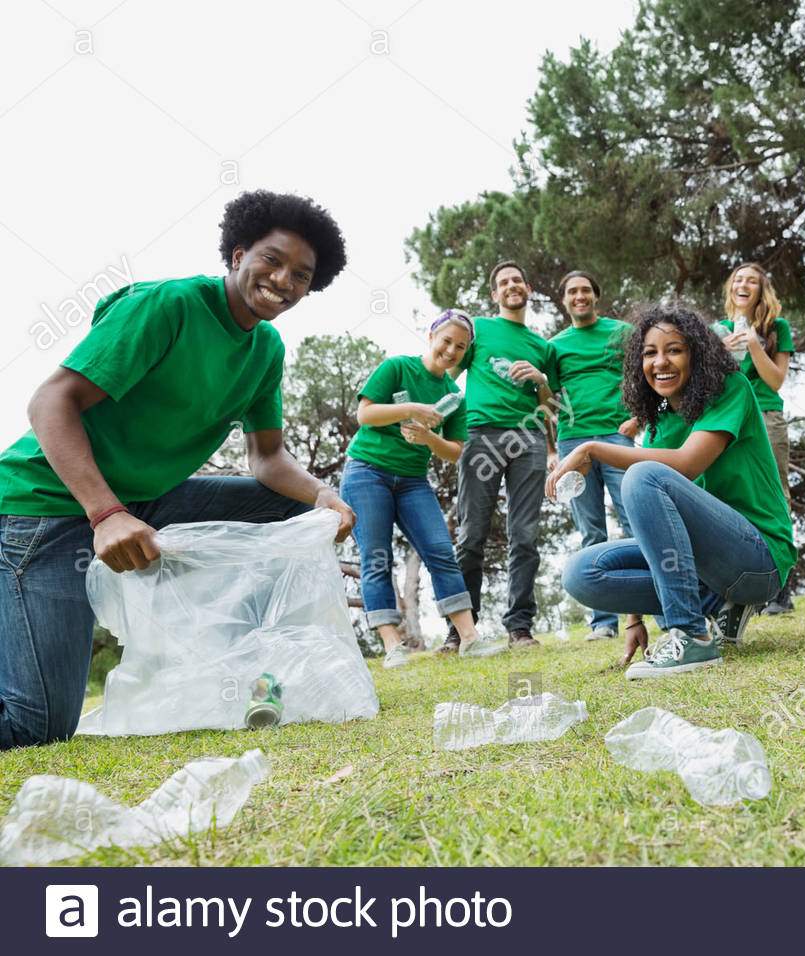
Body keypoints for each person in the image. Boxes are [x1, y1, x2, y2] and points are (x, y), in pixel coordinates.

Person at [0, 189, 355, 751]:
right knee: (35, 727)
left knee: (296, 510)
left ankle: (253, 667)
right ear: (238, 255)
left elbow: (266, 459)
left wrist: (322, 496)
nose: (284, 280)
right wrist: (107, 514)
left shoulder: (265, 349)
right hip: (47, 503)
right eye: (272, 259)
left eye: (302, 275)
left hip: (148, 498)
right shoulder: (168, 305)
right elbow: (51, 402)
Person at [550, 304, 797, 680]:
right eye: (650, 353)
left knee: (642, 473)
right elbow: (653, 526)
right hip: (705, 568)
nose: (660, 362)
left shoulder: (731, 389)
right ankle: (720, 608)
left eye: (674, 350)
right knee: (582, 572)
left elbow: (687, 463)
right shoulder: (660, 420)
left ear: (697, 354)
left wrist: (592, 449)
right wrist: (634, 620)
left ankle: (692, 635)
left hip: (757, 559)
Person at [341, 309, 507, 667]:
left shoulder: (453, 396)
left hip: (412, 481)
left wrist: (431, 438)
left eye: (460, 347)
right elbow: (365, 414)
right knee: (376, 556)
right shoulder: (397, 368)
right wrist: (411, 409)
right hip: (367, 471)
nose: (451, 351)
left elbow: (456, 451)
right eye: (446, 341)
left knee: (440, 550)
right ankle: (392, 647)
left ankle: (470, 638)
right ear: (432, 336)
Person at [450, 260, 559, 651]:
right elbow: (446, 366)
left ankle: (520, 627)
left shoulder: (542, 346)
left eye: (518, 280)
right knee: (471, 535)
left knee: (525, 536)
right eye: (503, 283)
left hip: (527, 440)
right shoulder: (477, 329)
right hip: (479, 434)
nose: (512, 286)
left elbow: (552, 408)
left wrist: (542, 381)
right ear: (495, 295)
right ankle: (462, 630)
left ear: (528, 289)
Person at [548, 269, 638, 641]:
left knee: (637, 522)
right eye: (572, 291)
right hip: (573, 445)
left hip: (617, 438)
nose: (579, 296)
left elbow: (645, 376)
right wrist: (553, 449)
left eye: (585, 290)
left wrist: (639, 418)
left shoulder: (622, 333)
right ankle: (604, 623)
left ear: (595, 296)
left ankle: (659, 610)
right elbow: (547, 399)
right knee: (592, 533)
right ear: (564, 300)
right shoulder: (554, 347)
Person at [718, 262, 797, 614]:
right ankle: (740, 586)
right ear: (731, 289)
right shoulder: (716, 330)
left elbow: (776, 380)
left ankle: (782, 589)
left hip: (766, 417)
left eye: (752, 280)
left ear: (761, 289)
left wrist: (753, 345)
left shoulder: (776, 328)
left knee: (777, 493)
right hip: (729, 419)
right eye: (738, 279)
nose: (743, 284)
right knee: (732, 495)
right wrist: (719, 351)